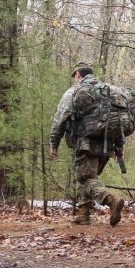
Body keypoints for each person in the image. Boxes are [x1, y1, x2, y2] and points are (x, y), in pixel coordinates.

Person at [48, 63, 126, 226]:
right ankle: (84, 214)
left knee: (87, 179)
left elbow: (61, 117)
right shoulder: (107, 91)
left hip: (85, 143)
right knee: (85, 178)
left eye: (74, 76)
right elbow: (118, 120)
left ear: (78, 74)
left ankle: (111, 201)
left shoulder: (73, 92)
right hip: (107, 144)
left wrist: (54, 142)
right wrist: (119, 147)